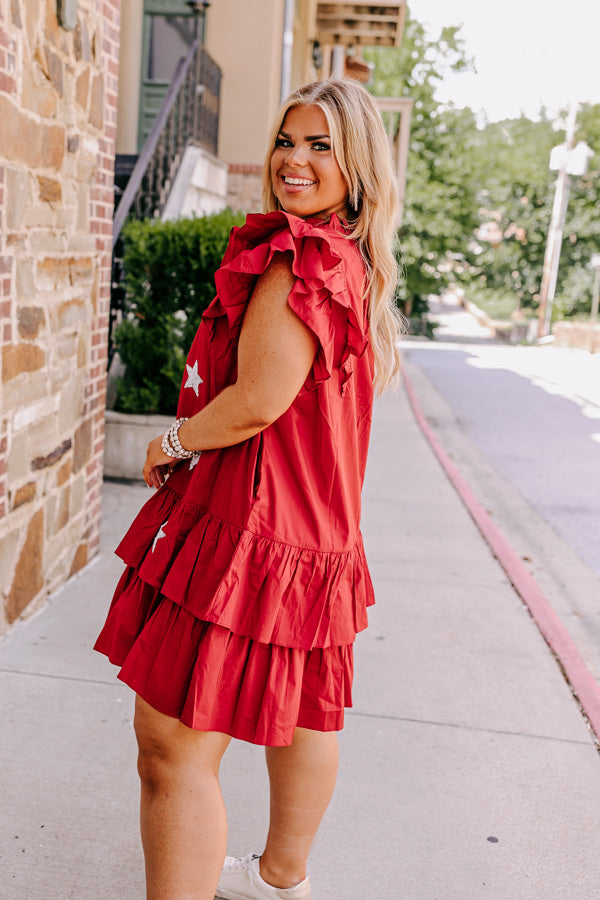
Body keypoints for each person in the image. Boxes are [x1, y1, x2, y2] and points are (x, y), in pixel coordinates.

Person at [95, 77, 404, 900]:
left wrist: (171, 440)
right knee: (301, 707)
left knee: (170, 747)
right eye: (286, 141)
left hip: (252, 526)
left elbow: (260, 399)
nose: (293, 160)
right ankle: (278, 877)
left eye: (321, 146)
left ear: (358, 166)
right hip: (315, 529)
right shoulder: (350, 259)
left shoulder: (301, 258)